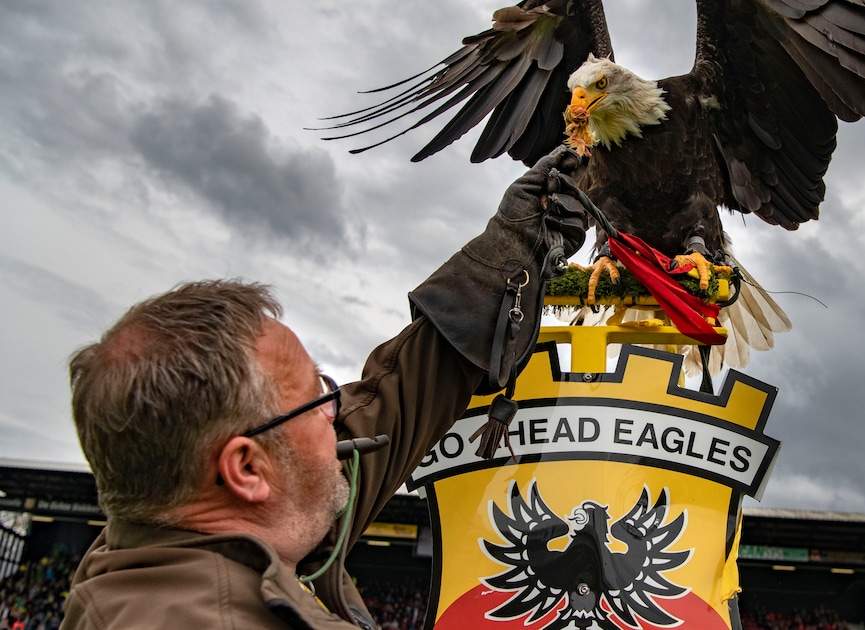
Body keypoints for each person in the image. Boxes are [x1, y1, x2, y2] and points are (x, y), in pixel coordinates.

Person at [61, 147, 586, 629]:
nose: (335, 412)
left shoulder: (181, 535)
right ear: (246, 468)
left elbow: (395, 403)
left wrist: (515, 244)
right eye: (316, 399)